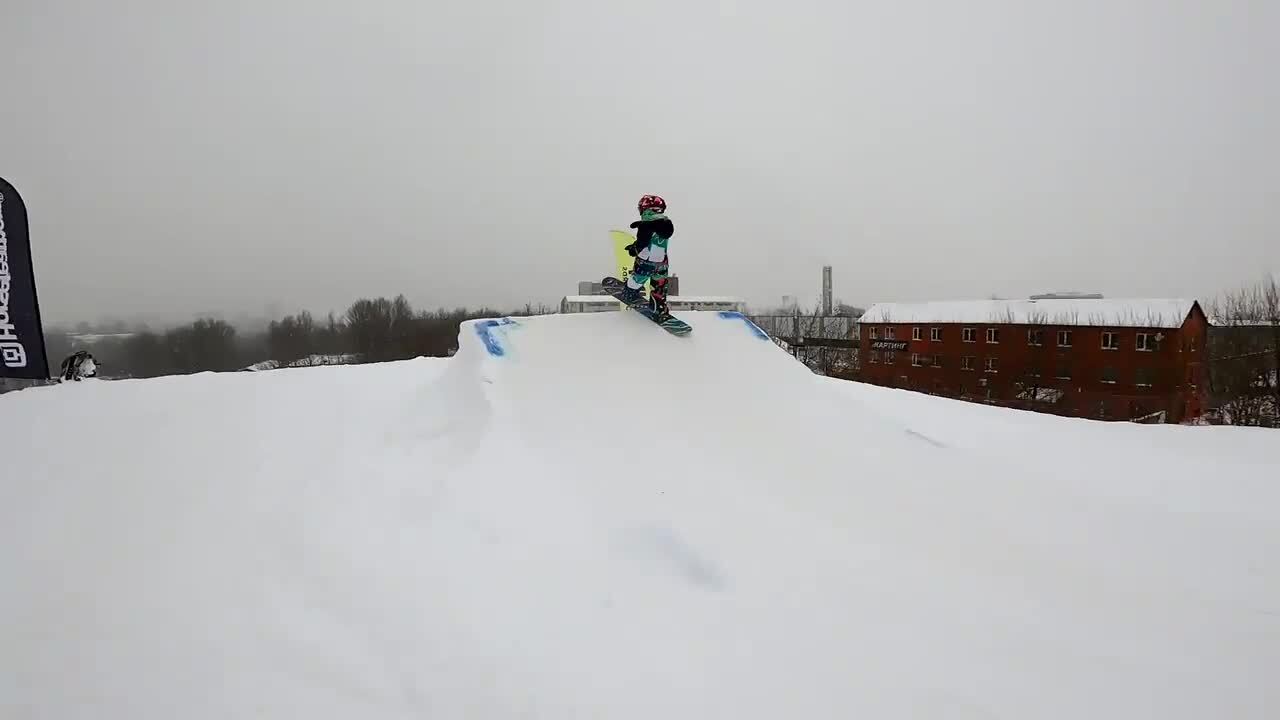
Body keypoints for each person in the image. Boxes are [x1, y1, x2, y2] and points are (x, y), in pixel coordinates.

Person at [619, 194, 674, 318]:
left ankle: (629, 293)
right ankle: (658, 307)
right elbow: (667, 233)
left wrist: (633, 249)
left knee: (636, 280)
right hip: (661, 264)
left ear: (645, 209)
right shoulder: (666, 223)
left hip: (645, 263)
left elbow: (642, 244)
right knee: (659, 288)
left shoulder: (645, 226)